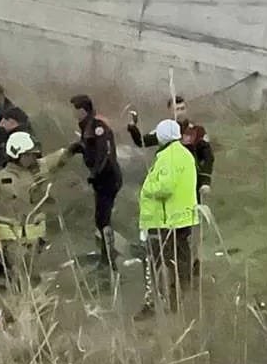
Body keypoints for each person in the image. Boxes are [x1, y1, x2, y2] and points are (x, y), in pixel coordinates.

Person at [127, 94, 215, 275]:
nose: (180, 112)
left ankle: (194, 262)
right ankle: (173, 265)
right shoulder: (165, 131)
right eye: (177, 109)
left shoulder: (196, 131)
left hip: (192, 185)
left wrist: (205, 181)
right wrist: (132, 127)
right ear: (170, 111)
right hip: (171, 188)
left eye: (183, 108)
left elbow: (208, 157)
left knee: (192, 225)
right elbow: (143, 141)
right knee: (174, 228)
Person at [0, 131, 74, 288]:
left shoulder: (39, 168)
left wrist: (72, 149)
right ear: (16, 154)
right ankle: (21, 305)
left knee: (33, 273)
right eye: (28, 155)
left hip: (36, 239)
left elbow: (57, 159)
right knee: (21, 272)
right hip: (11, 239)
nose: (32, 158)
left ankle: (31, 304)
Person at [138, 119, 199, 314]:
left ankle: (158, 303)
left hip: (166, 219)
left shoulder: (168, 157)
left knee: (156, 262)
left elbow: (165, 186)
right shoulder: (185, 154)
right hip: (182, 217)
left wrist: (147, 187)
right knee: (180, 261)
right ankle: (182, 300)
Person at [66, 95, 123, 271]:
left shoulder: (98, 127)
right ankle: (107, 254)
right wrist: (76, 148)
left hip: (108, 178)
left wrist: (96, 173)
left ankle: (108, 258)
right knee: (100, 218)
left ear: (82, 110)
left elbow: (104, 153)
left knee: (103, 218)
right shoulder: (87, 126)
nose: (74, 114)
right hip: (101, 180)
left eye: (75, 110)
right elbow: (88, 146)